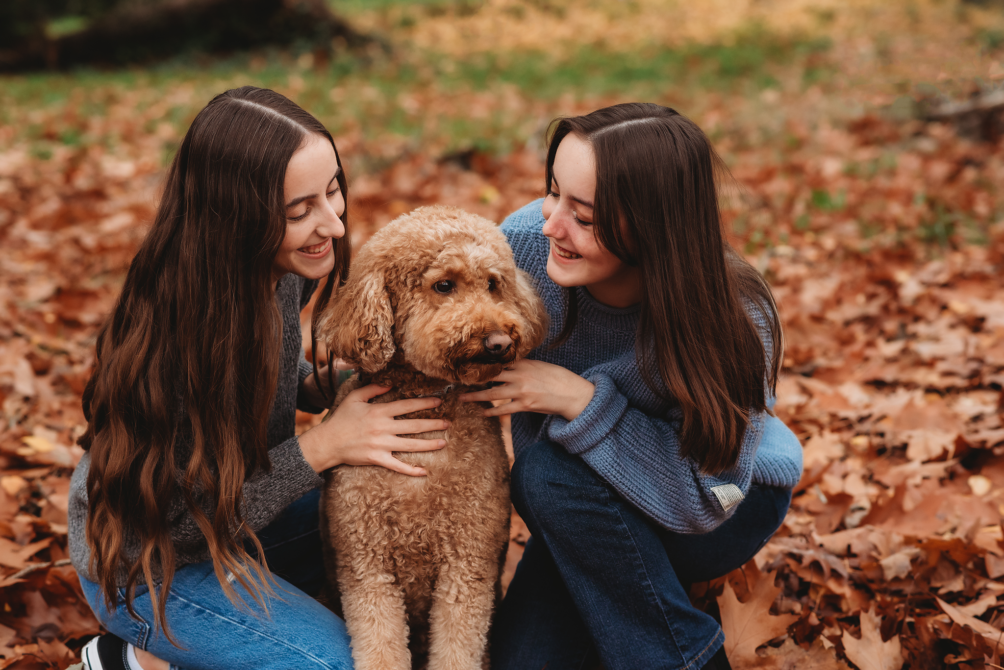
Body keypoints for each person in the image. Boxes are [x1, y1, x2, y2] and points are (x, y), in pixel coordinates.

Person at [69, 86, 450, 670]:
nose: (333, 224)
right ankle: (133, 657)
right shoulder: (178, 338)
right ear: (233, 217)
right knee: (335, 666)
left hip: (238, 523)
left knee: (388, 518)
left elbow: (271, 373)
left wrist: (348, 380)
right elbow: (177, 532)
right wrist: (320, 446)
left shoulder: (272, 268)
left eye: (332, 192)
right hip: (153, 568)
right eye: (299, 211)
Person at [459, 103, 804, 670]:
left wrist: (579, 400)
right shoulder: (519, 251)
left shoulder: (733, 315)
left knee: (547, 469)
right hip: (579, 512)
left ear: (655, 227)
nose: (551, 225)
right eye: (552, 193)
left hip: (722, 509)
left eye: (585, 217)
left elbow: (703, 500)